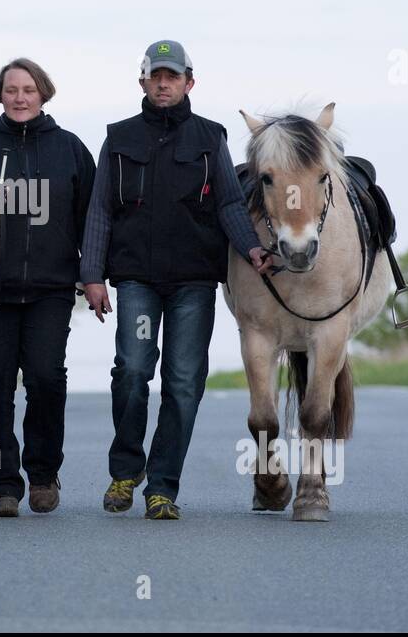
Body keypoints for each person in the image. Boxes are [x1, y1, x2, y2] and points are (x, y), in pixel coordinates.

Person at [80, 40, 271, 520]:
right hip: (136, 282)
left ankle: (162, 486)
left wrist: (251, 247)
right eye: (155, 76)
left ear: (190, 82)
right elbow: (101, 208)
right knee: (131, 371)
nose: (163, 84)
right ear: (142, 80)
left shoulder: (210, 138)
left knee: (184, 383)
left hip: (192, 282)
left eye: (173, 76)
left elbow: (229, 201)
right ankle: (126, 471)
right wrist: (92, 276)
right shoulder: (119, 138)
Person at [0, 58, 96, 517]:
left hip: (51, 288)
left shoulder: (70, 149)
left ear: (43, 93)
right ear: (0, 95)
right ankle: (1, 485)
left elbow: (92, 219)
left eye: (28, 89)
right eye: (11, 89)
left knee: (46, 380)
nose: (19, 97)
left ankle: (44, 474)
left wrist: (91, 276)